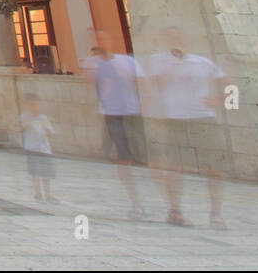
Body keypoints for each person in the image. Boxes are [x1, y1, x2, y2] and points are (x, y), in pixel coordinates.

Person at [145, 27, 229, 228]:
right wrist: (173, 65)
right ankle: (175, 211)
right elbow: (157, 86)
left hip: (203, 118)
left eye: (178, 35)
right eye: (170, 36)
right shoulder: (159, 60)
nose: (175, 39)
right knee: (175, 167)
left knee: (214, 169)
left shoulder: (202, 62)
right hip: (176, 119)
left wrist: (220, 101)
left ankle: (216, 213)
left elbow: (230, 86)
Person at [82, 29, 147, 218]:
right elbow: (89, 84)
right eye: (97, 40)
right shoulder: (93, 63)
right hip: (111, 114)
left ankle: (141, 198)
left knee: (139, 154)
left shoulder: (126, 61)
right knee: (123, 158)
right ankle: (135, 202)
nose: (101, 42)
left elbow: (142, 83)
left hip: (132, 112)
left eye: (103, 38)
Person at [19, 94, 58, 203]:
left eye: (36, 105)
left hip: (44, 149)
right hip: (32, 149)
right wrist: (28, 121)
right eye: (31, 105)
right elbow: (22, 127)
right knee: (34, 172)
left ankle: (47, 193)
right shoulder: (25, 117)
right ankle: (37, 193)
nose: (34, 107)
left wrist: (46, 128)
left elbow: (51, 133)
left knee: (46, 173)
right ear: (27, 106)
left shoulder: (43, 118)